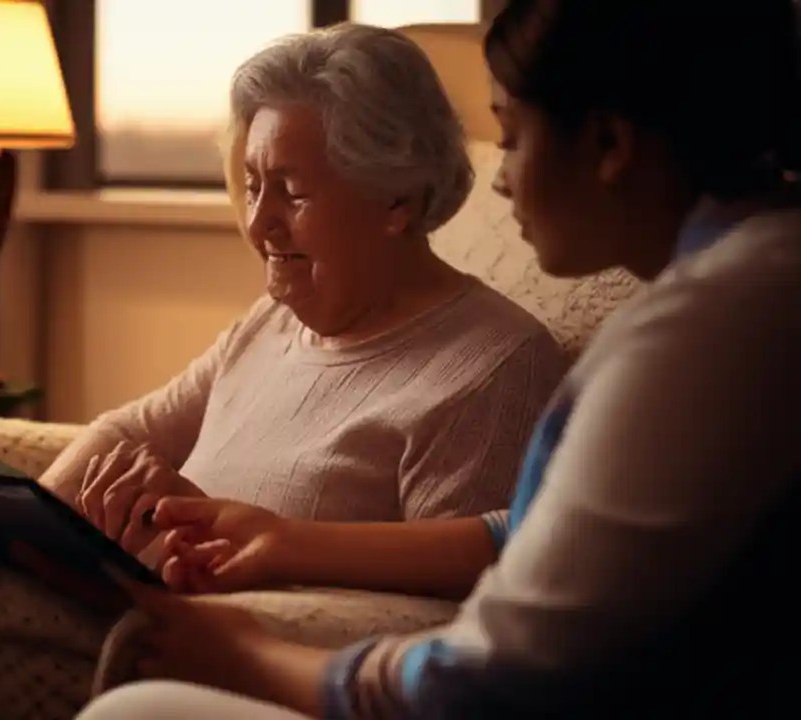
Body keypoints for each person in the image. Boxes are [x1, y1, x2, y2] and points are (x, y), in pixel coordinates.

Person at [0, 23, 566, 720]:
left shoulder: (490, 367)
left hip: (202, 647)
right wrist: (4, 537)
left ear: (398, 202)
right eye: (252, 186)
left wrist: (255, 563)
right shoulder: (271, 324)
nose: (259, 226)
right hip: (107, 591)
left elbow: (451, 609)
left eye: (291, 193)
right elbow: (122, 432)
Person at [76, 1, 801, 717]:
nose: (499, 178)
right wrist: (284, 540)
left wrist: (246, 655)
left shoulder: (697, 339)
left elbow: (486, 676)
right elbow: (515, 533)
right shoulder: (747, 282)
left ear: (609, 145)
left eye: (513, 137)